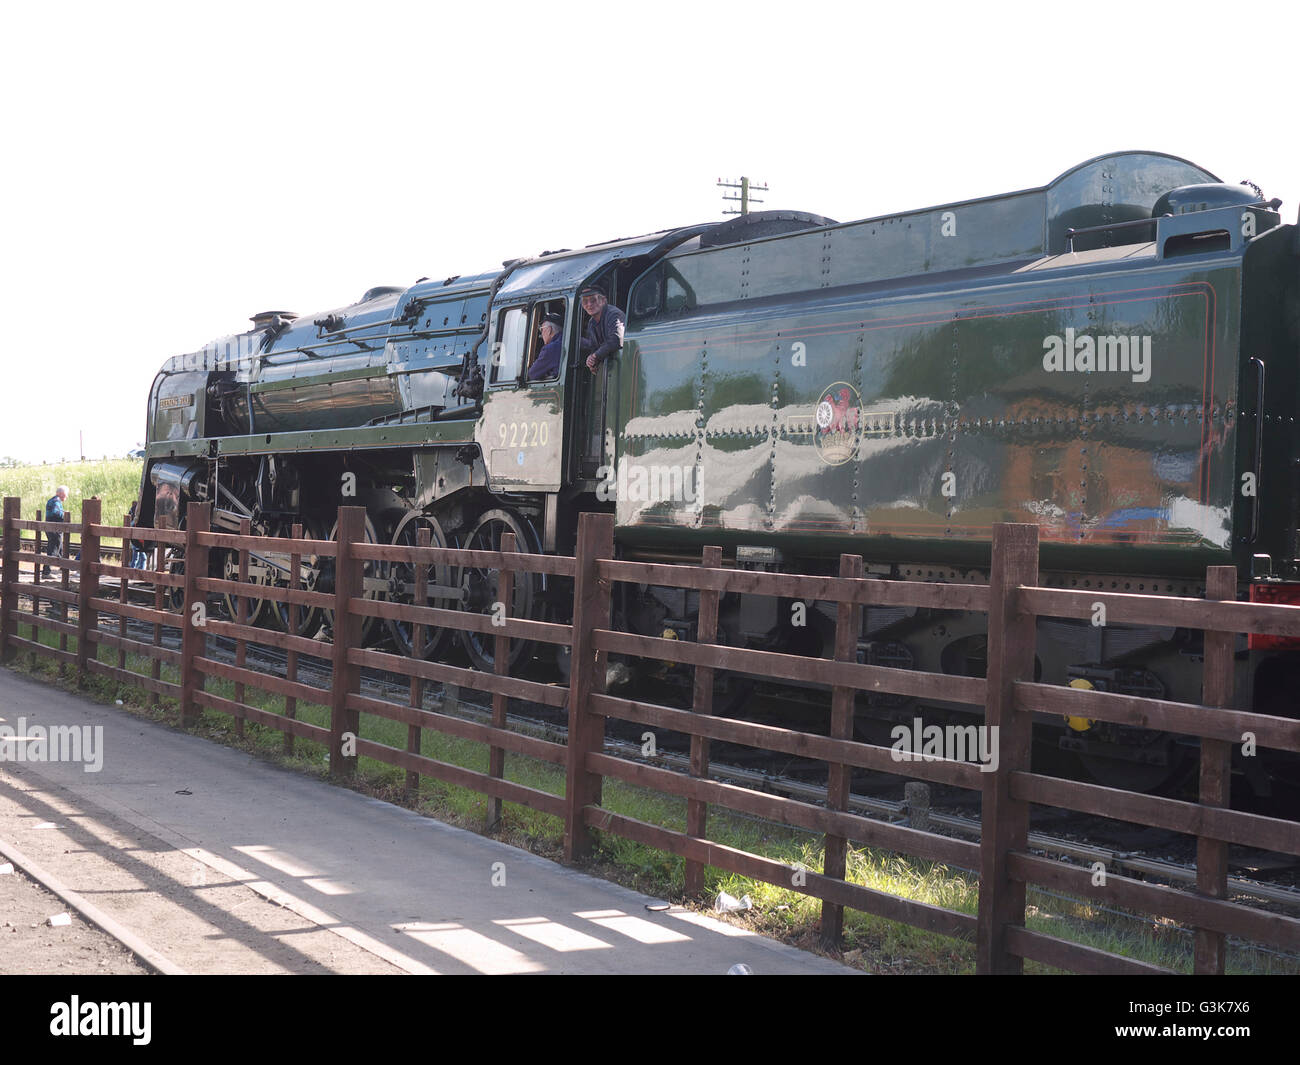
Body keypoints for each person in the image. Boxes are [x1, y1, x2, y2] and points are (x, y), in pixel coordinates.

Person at [578, 283, 625, 373]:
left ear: (603, 300)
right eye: (585, 302)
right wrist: (591, 359)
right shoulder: (591, 323)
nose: (589, 304)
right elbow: (593, 347)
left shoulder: (614, 314)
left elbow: (616, 339)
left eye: (593, 300)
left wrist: (596, 356)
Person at [527, 312, 565, 381]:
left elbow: (532, 374)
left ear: (549, 330)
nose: (541, 335)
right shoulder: (565, 342)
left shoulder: (550, 349)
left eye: (541, 329)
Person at [43, 486, 68, 579]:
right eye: (66, 494)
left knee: (59, 548)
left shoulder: (52, 500)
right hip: (54, 529)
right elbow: (56, 513)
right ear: (61, 493)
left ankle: (64, 567)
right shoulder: (57, 501)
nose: (67, 496)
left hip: (51, 528)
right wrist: (64, 514)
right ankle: (46, 572)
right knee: (53, 550)